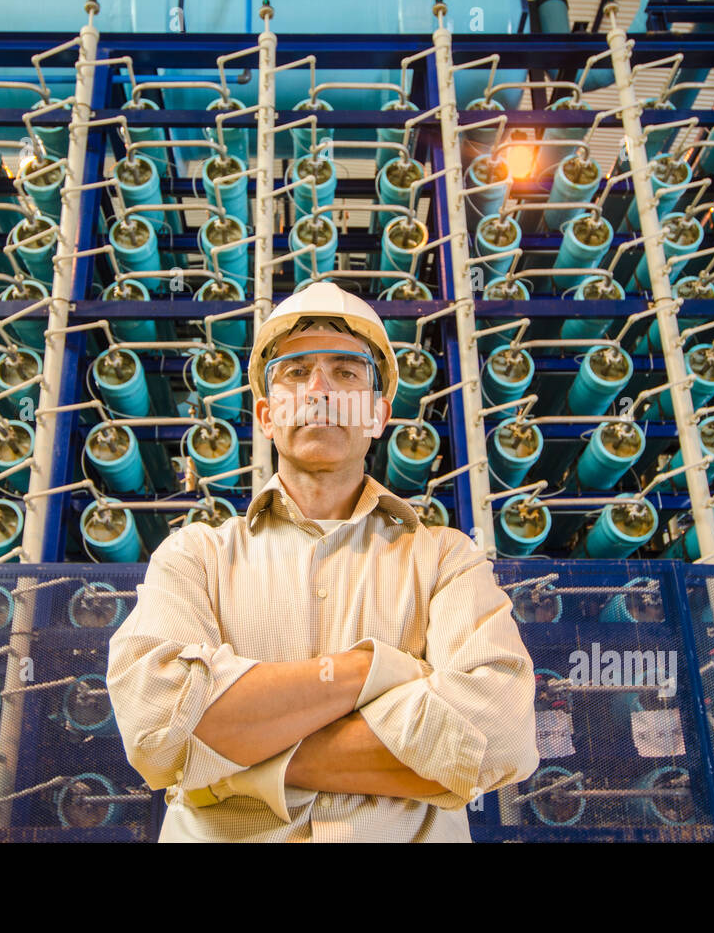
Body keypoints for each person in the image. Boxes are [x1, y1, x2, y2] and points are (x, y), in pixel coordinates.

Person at [104, 282, 538, 842]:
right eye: (294, 371)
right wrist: (372, 673)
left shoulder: (446, 558)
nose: (319, 390)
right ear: (265, 414)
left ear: (379, 414)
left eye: (347, 372)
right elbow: (154, 729)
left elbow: (498, 737)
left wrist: (239, 761)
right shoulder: (196, 556)